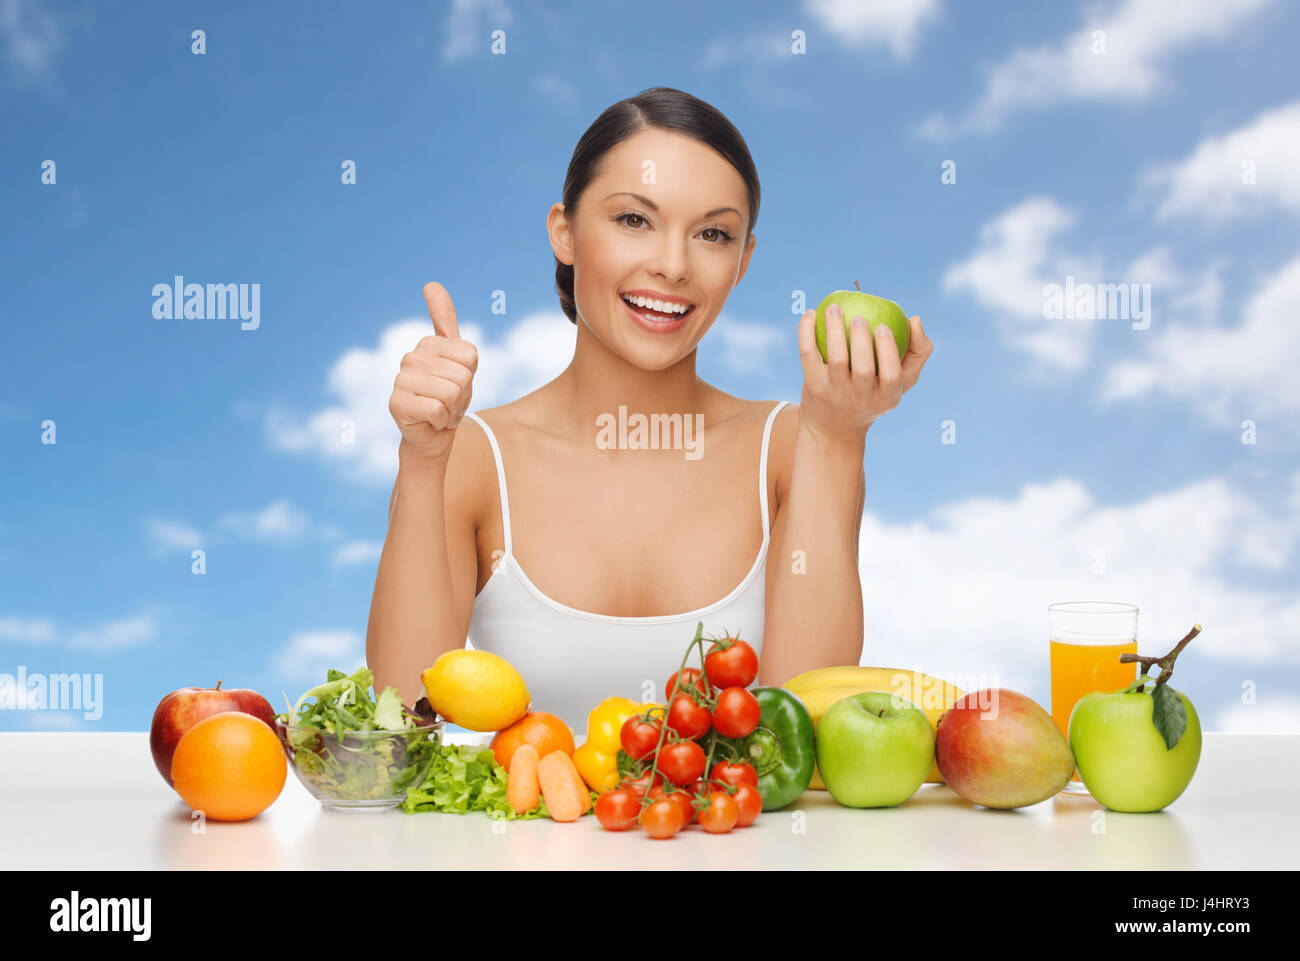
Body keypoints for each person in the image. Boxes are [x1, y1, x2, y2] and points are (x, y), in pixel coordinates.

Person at [366, 87, 932, 731]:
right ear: (565, 232)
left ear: (742, 261)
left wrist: (837, 437)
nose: (672, 265)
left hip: (733, 834)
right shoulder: (470, 455)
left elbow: (800, 724)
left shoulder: (791, 448)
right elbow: (400, 717)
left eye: (713, 234)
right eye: (634, 220)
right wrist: (421, 458)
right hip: (530, 833)